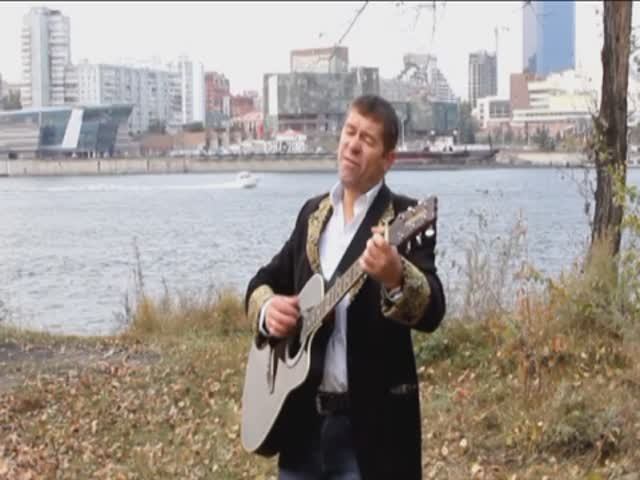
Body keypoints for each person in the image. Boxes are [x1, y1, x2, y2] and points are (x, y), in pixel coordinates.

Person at [244, 94, 446, 480]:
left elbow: (433, 309)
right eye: (349, 132)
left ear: (388, 159)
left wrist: (396, 277)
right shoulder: (312, 214)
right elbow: (263, 282)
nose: (353, 144)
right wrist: (269, 311)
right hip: (300, 427)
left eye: (367, 139)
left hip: (371, 434)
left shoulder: (407, 219)